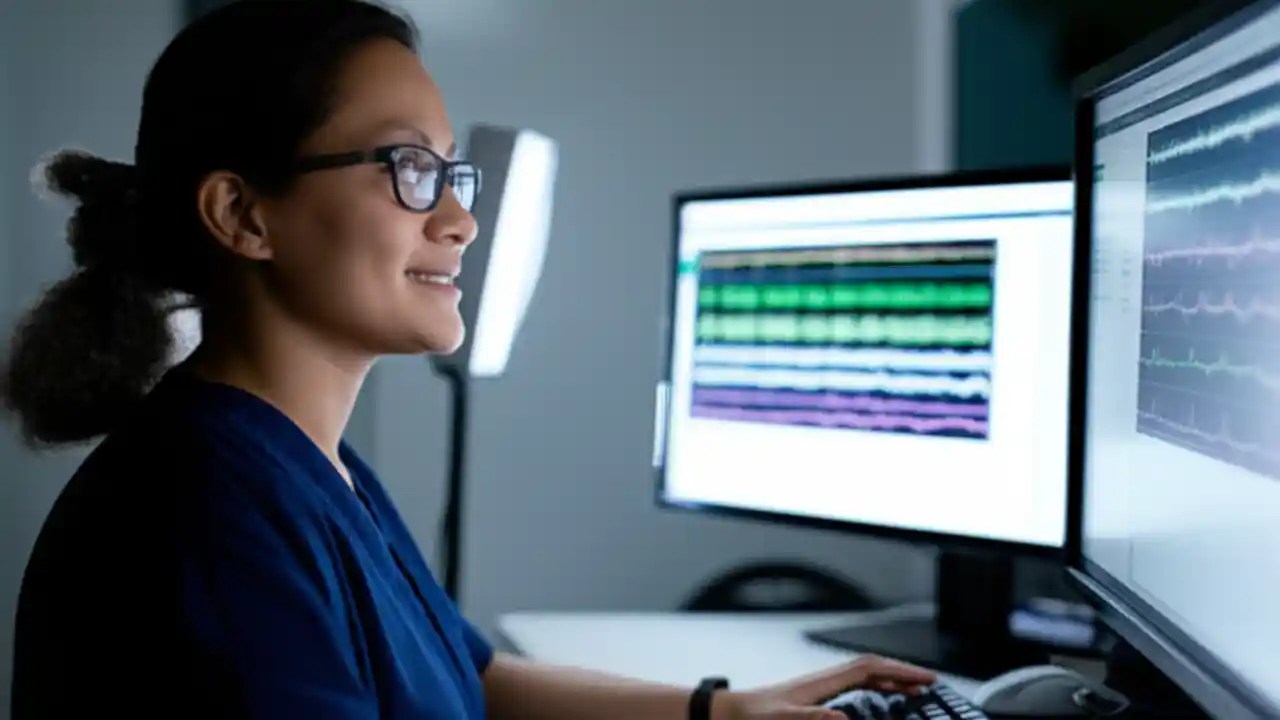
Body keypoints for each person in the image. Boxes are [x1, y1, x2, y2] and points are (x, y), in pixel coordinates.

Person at [2, 1, 936, 718]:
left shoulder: (307, 462)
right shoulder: (209, 513)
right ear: (244, 215)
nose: (460, 218)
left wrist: (721, 708)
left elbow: (471, 678)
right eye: (408, 170)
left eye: (450, 172)